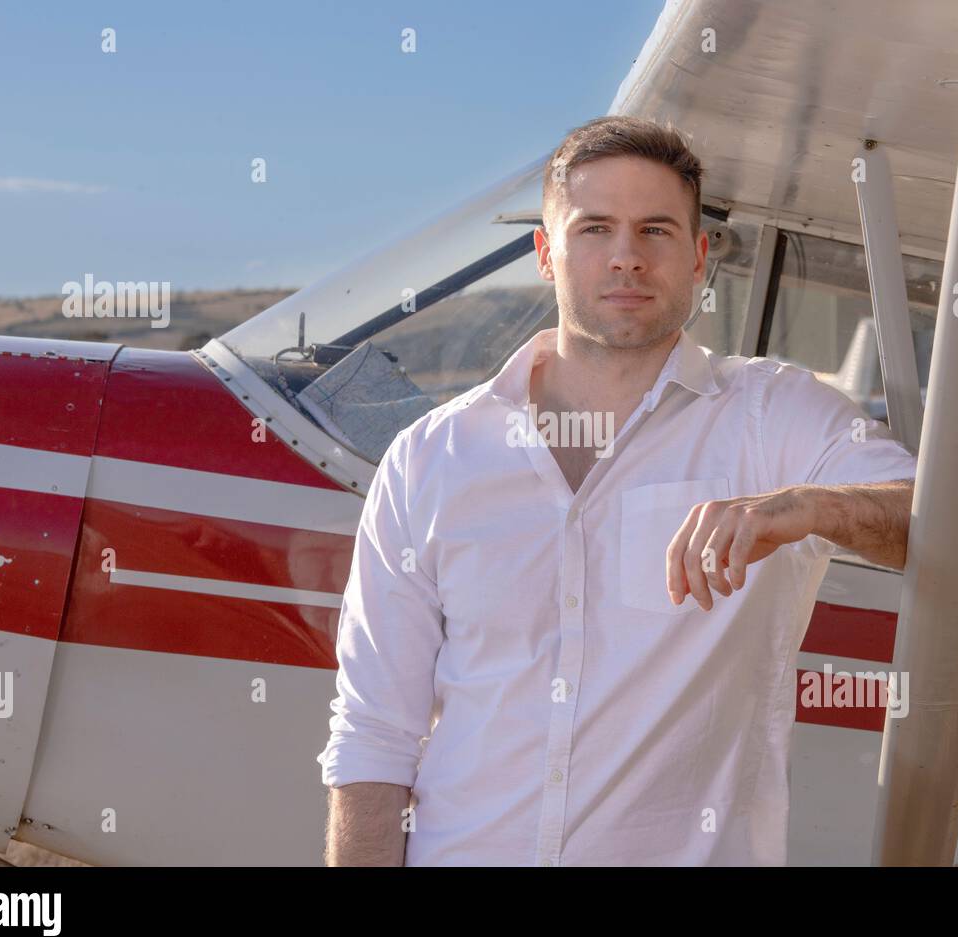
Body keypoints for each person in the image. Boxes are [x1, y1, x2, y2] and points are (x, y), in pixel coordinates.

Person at [318, 115, 917, 866]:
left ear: (699, 258)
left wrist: (805, 508)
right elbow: (375, 731)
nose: (626, 258)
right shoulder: (429, 459)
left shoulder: (772, 417)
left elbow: (954, 523)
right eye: (595, 228)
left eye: (656, 231)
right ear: (546, 252)